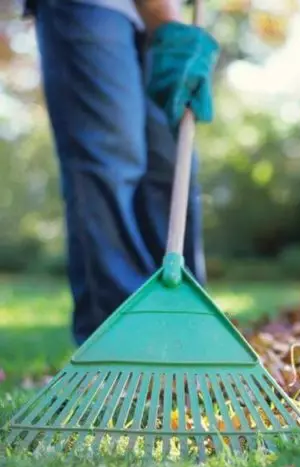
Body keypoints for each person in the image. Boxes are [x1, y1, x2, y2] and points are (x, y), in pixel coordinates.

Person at [20, 0, 219, 346]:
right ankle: (121, 343)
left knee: (171, 168)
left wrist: (171, 26)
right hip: (92, 6)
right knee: (110, 160)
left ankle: (183, 336)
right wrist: (168, 24)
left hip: (158, 18)